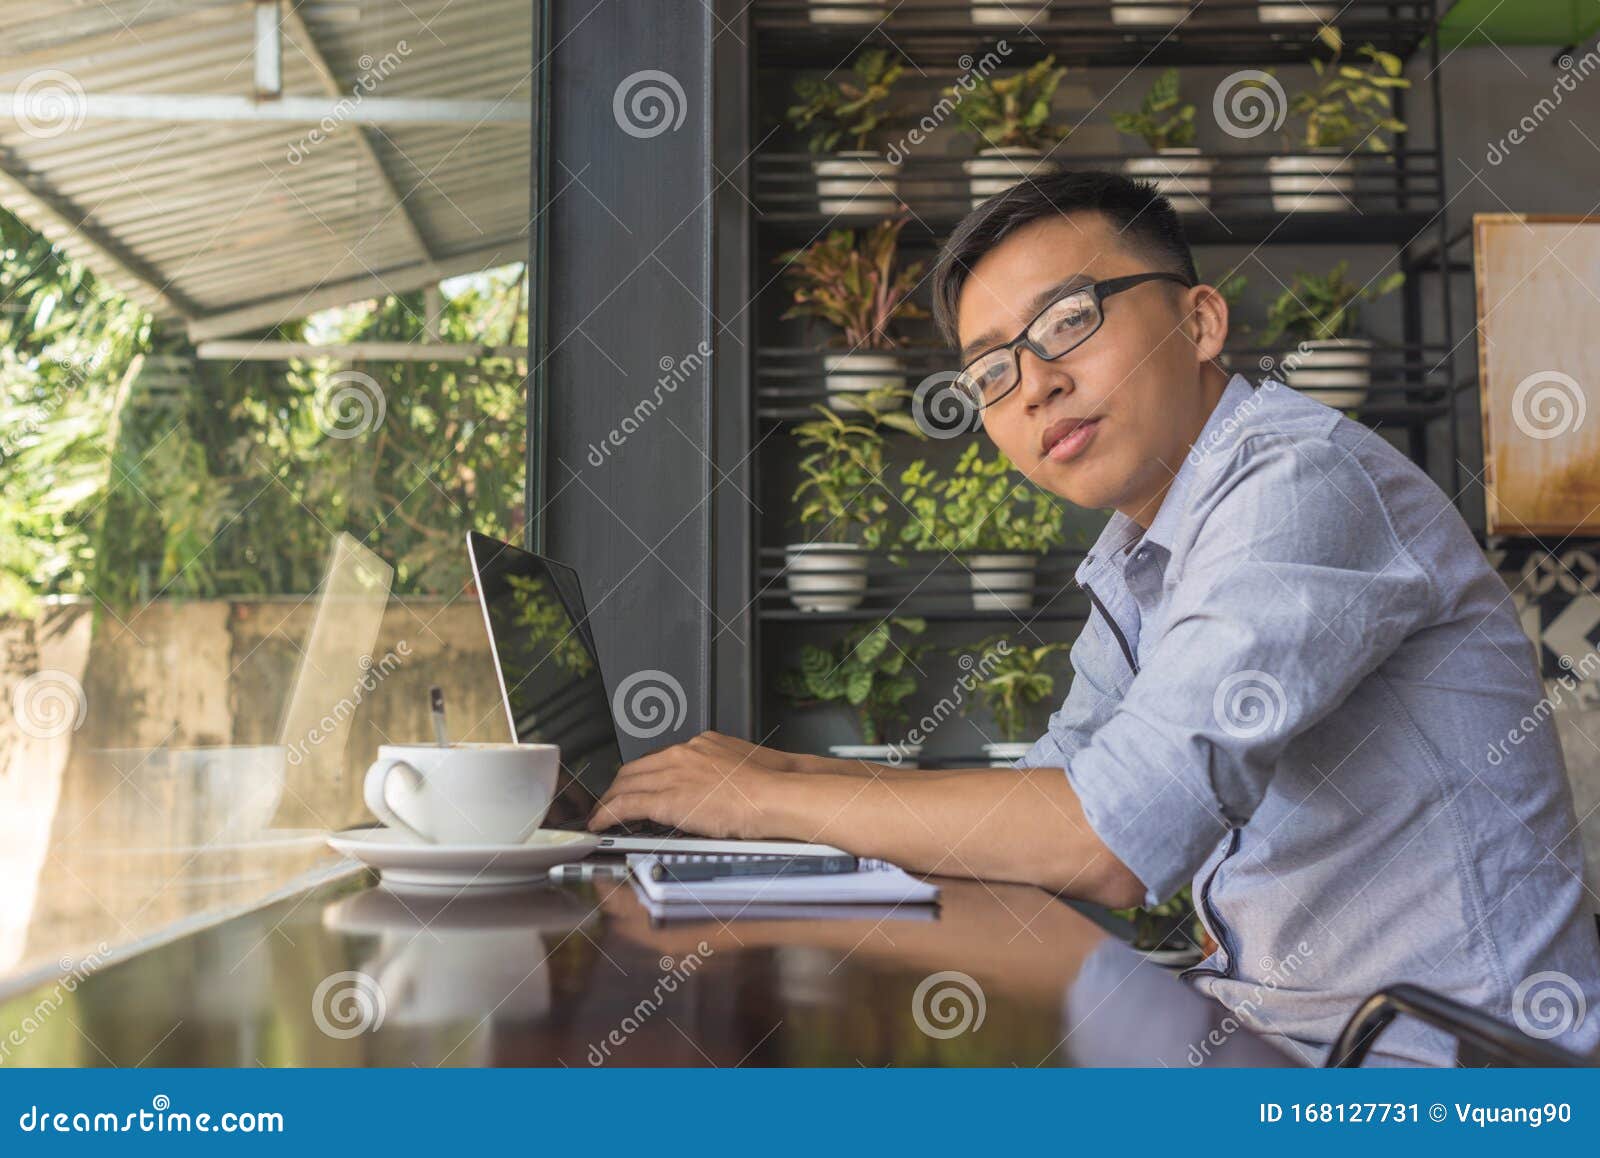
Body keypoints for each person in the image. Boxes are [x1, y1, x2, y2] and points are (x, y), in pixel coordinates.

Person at [590, 169, 1600, 1066]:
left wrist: (761, 803)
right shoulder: (1142, 553)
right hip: (1282, 1039)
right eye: (990, 371)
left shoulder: (1298, 486)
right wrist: (779, 775)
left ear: (1200, 322)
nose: (1033, 385)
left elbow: (1108, 841)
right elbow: (1060, 790)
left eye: (1069, 320)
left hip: (1450, 1079)